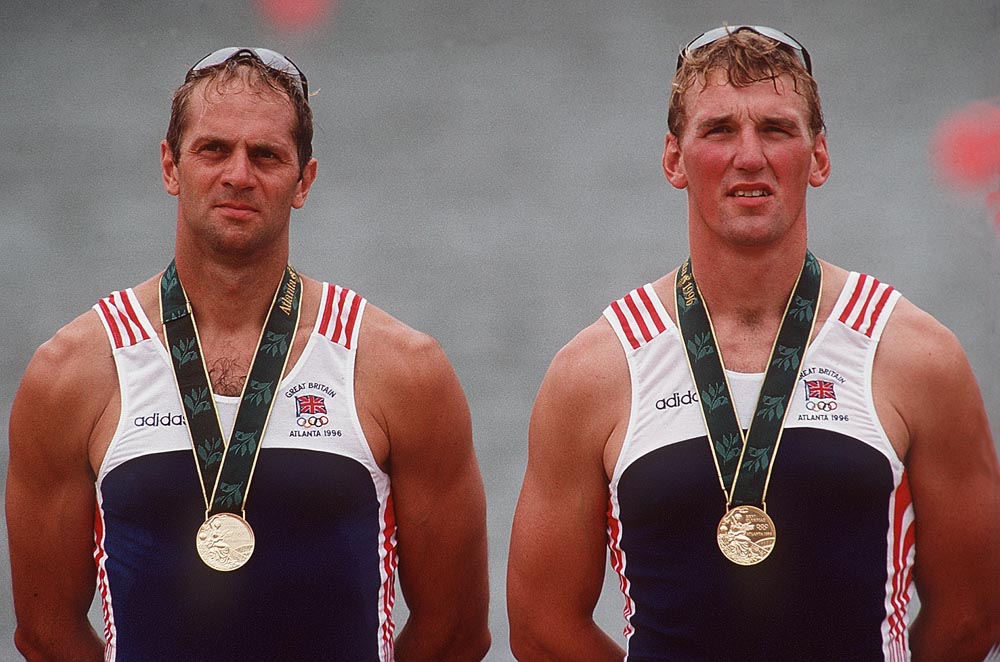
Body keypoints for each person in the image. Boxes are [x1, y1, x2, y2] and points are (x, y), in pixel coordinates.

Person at [508, 26, 1000, 660]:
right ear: (673, 159)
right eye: (718, 131)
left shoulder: (914, 356)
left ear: (818, 157)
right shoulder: (597, 371)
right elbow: (542, 628)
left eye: (776, 129)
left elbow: (974, 612)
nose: (749, 155)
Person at [7, 47, 491, 661]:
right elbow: (45, 634)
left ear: (303, 181)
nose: (239, 174)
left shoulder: (399, 370)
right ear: (169, 166)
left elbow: (455, 635)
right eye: (213, 149)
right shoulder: (72, 374)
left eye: (266, 155)